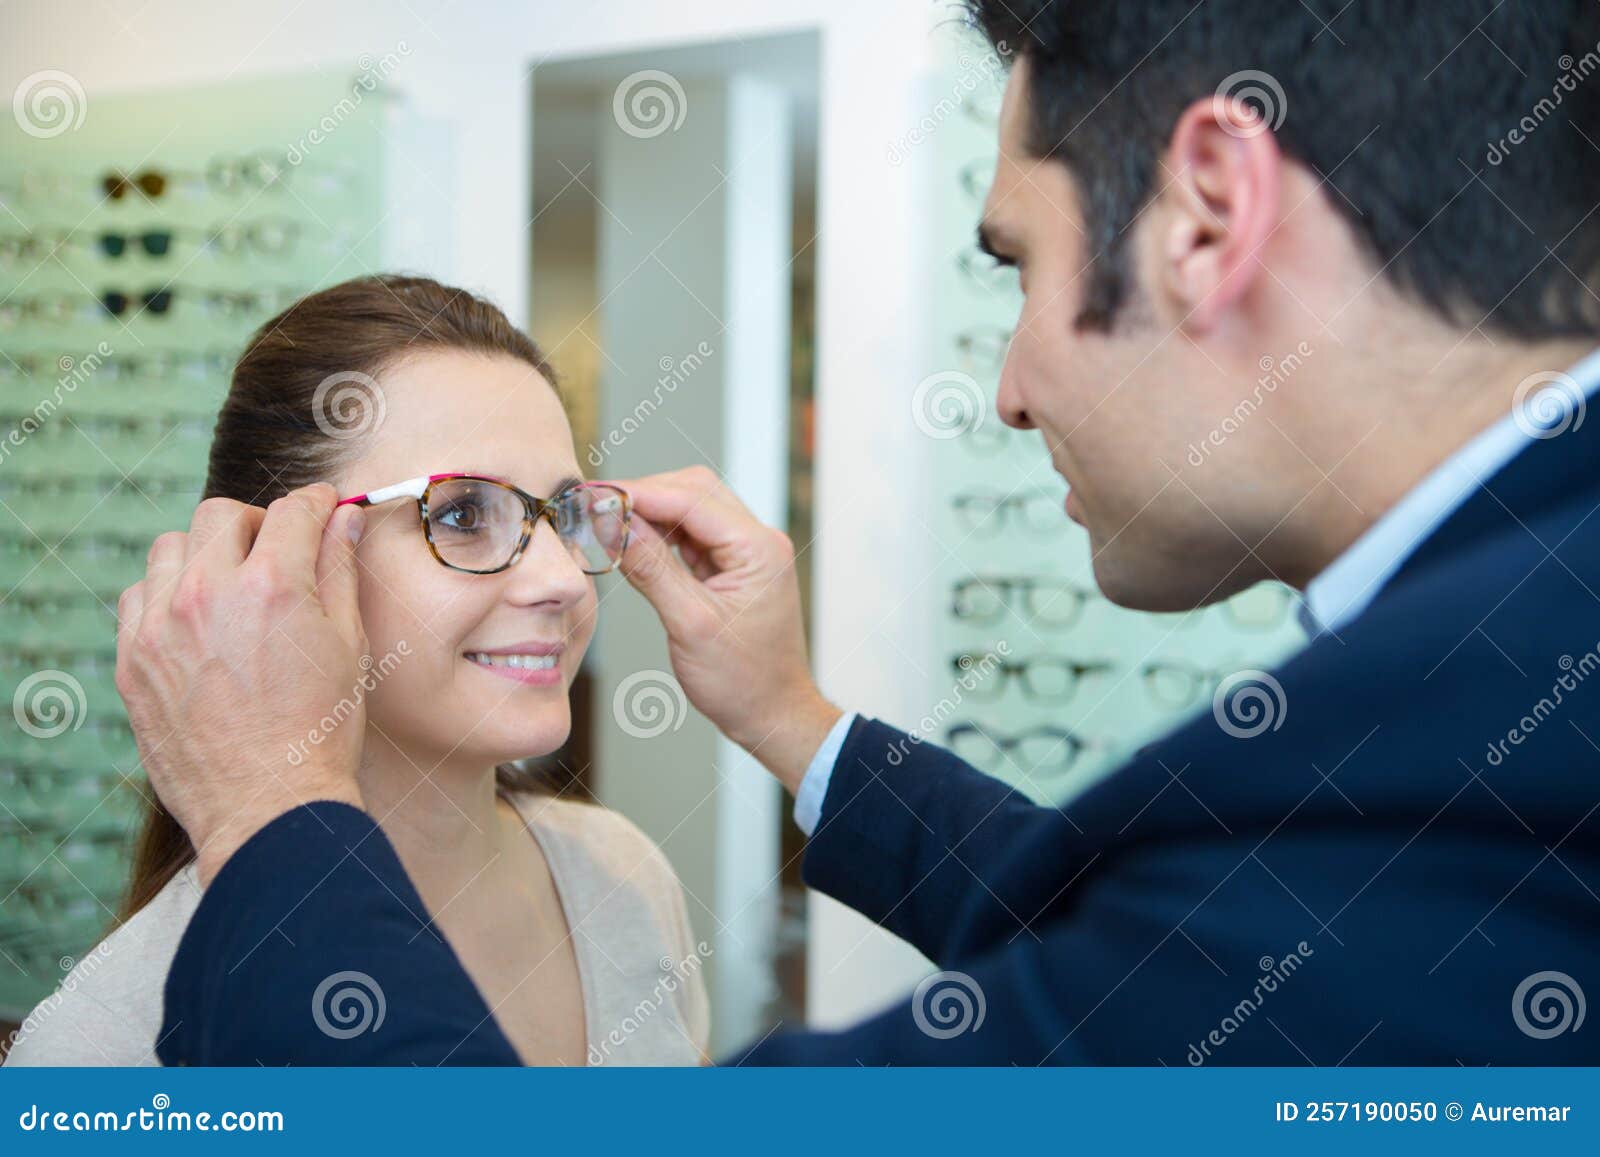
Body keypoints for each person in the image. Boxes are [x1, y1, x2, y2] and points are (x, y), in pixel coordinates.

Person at [130, 0, 1600, 1064]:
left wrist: (267, 802)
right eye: (463, 515)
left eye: (1016, 264)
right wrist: (794, 720)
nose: (1012, 391)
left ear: (1211, 215)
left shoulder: (1438, 796)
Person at [3, 276, 708, 1067]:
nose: (564, 581)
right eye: (462, 514)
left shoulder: (623, 875)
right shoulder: (98, 1048)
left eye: (563, 512)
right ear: (279, 568)